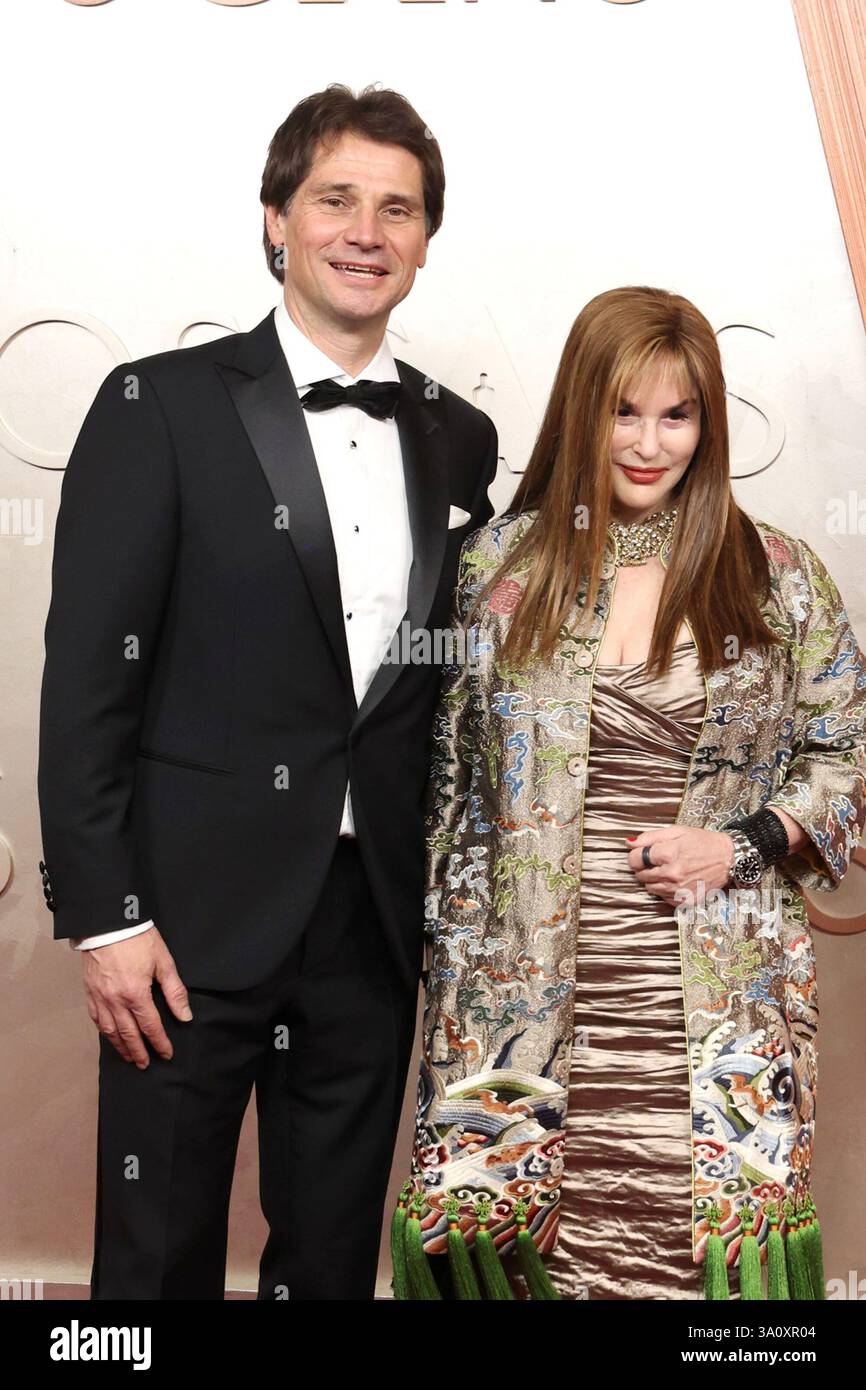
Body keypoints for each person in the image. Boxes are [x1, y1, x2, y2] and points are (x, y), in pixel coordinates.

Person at [36, 83, 497, 1300]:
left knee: (331, 1261)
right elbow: (87, 680)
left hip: (372, 920)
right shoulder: (160, 407)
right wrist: (106, 916)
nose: (365, 229)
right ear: (275, 221)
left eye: (397, 208)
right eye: (334, 198)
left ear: (424, 241)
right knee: (151, 1267)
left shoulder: (460, 438)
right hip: (179, 924)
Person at [389, 285, 866, 1301]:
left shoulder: (774, 572)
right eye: (623, 410)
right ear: (579, 409)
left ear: (708, 421)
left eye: (678, 413)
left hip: (713, 986)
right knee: (515, 1258)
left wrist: (735, 844)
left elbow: (846, 753)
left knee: (706, 1271)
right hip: (518, 992)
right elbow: (436, 787)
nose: (650, 442)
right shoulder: (488, 571)